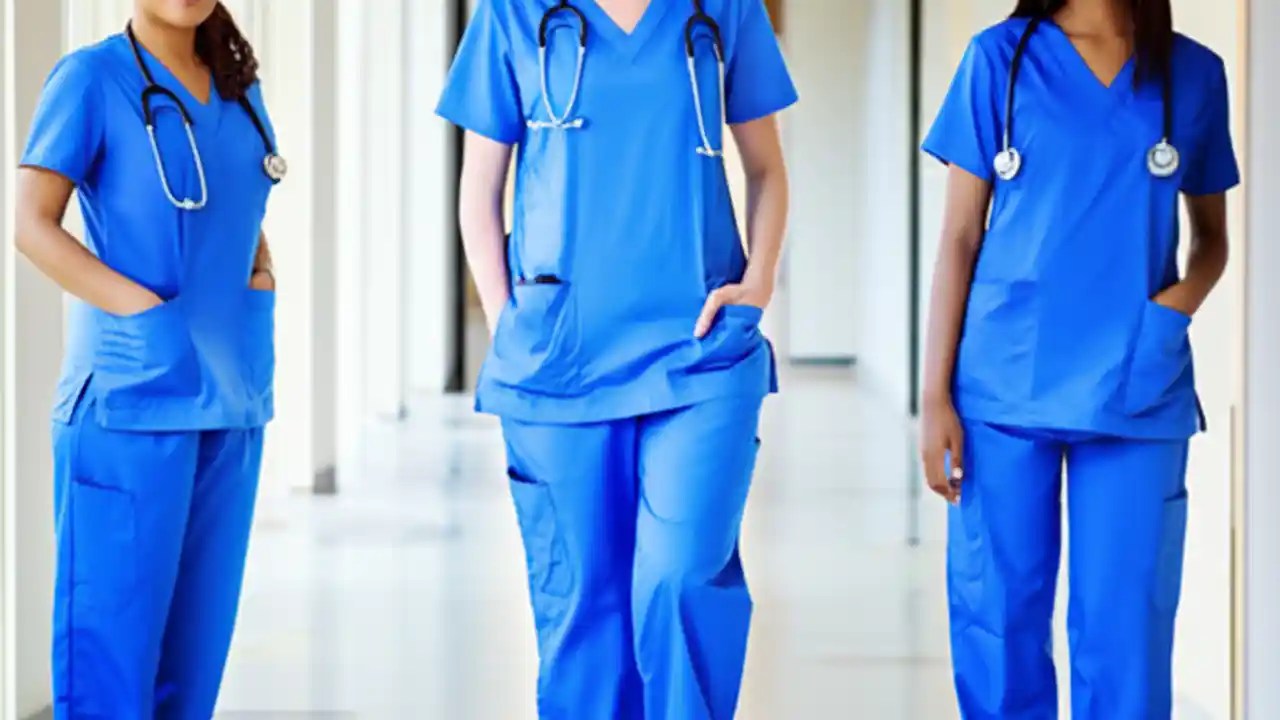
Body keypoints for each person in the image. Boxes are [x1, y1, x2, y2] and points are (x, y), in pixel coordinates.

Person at [437, 0, 795, 717]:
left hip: (699, 354)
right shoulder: (513, 13)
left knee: (680, 578)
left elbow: (766, 169)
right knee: (583, 611)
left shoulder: (723, 10)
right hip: (558, 357)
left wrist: (756, 286)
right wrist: (510, 317)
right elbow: (480, 187)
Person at [919, 0, 1237, 716]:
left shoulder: (1192, 72)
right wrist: (934, 396)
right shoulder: (997, 59)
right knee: (998, 618)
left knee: (1125, 627)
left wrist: (1173, 310)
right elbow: (959, 239)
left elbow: (1212, 240)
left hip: (1136, 381)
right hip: (1005, 377)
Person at [14, 0, 282, 715]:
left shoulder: (236, 83)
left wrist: (260, 273)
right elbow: (30, 223)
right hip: (129, 403)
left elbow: (243, 204)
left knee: (193, 666)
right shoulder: (92, 79)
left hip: (230, 402)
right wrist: (142, 312)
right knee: (111, 664)